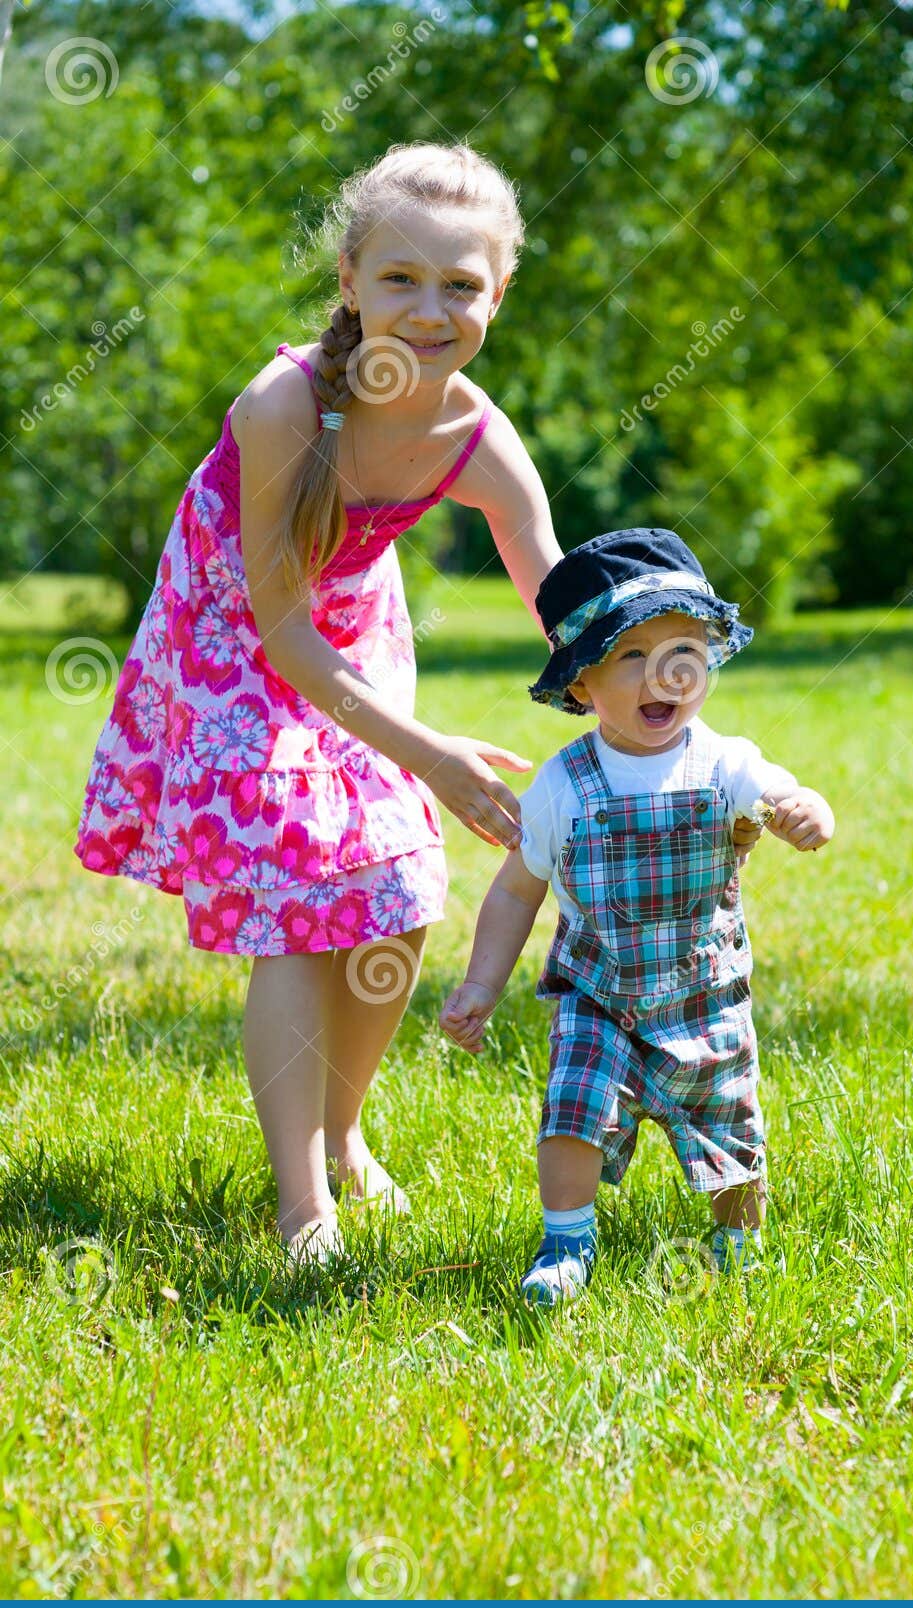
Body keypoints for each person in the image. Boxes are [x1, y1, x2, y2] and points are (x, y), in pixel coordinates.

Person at [75, 142, 563, 1263]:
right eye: (401, 278)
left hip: (353, 634)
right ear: (349, 278)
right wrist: (431, 755)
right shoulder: (285, 402)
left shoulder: (479, 439)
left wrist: (652, 700)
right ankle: (303, 1205)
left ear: (500, 294)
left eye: (462, 285)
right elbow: (280, 631)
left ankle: (345, 1136)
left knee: (397, 884)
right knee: (296, 890)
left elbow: (560, 596)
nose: (429, 309)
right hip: (239, 634)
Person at [439, 529, 835, 1306]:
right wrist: (482, 983)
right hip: (597, 995)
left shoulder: (723, 762)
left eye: (684, 648)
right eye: (630, 654)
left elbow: (784, 792)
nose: (666, 673)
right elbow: (517, 890)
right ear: (580, 684)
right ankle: (566, 1242)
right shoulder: (564, 784)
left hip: (702, 992)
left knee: (732, 1134)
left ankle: (738, 1243)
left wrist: (802, 811)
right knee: (570, 1114)